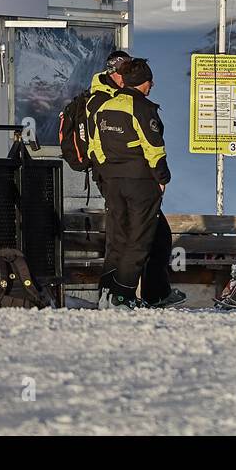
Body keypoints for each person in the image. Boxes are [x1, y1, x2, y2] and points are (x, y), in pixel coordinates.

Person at [91, 58, 185, 309]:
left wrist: (109, 173)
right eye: (149, 81)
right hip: (140, 181)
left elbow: (95, 146)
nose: (151, 85)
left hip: (112, 181)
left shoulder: (105, 106)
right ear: (143, 83)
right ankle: (122, 295)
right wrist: (162, 178)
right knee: (140, 238)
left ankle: (108, 293)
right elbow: (153, 147)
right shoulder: (142, 108)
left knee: (120, 237)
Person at [90, 49, 130, 295]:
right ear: (112, 72)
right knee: (119, 234)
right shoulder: (100, 100)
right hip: (112, 175)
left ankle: (124, 290)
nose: (125, 77)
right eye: (122, 72)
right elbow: (96, 142)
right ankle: (110, 290)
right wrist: (110, 173)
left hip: (123, 175)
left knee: (132, 232)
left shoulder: (120, 96)